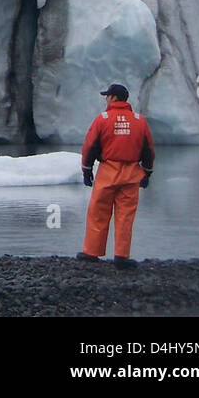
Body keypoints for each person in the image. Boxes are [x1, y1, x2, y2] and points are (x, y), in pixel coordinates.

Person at [77, 84, 155, 268]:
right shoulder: (139, 120)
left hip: (108, 171)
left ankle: (91, 252)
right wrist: (147, 172)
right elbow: (148, 150)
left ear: (113, 98)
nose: (105, 98)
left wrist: (87, 170)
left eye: (107, 96)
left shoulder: (102, 119)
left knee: (98, 212)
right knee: (125, 215)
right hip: (131, 173)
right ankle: (121, 256)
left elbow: (90, 146)